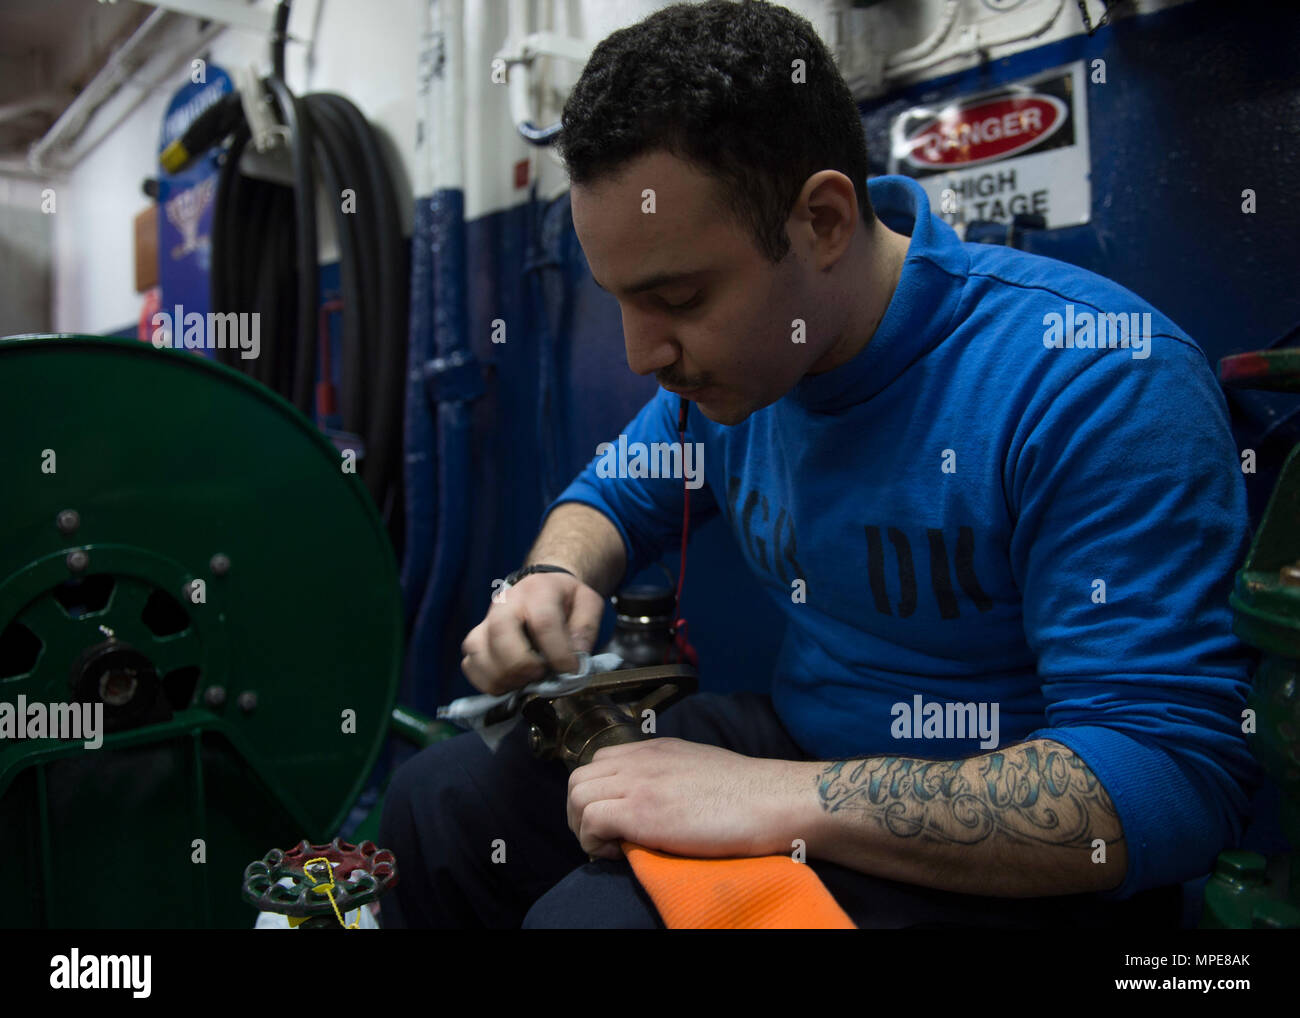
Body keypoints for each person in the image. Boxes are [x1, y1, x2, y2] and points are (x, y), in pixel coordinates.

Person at [379, 0, 1260, 928]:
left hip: (1013, 834)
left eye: (676, 297)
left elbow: (1173, 781)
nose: (645, 354)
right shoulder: (734, 378)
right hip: (803, 740)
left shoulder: (1093, 374)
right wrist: (554, 574)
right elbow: (610, 493)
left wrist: (780, 801)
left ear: (825, 221)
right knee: (441, 803)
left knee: (588, 924)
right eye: (621, 303)